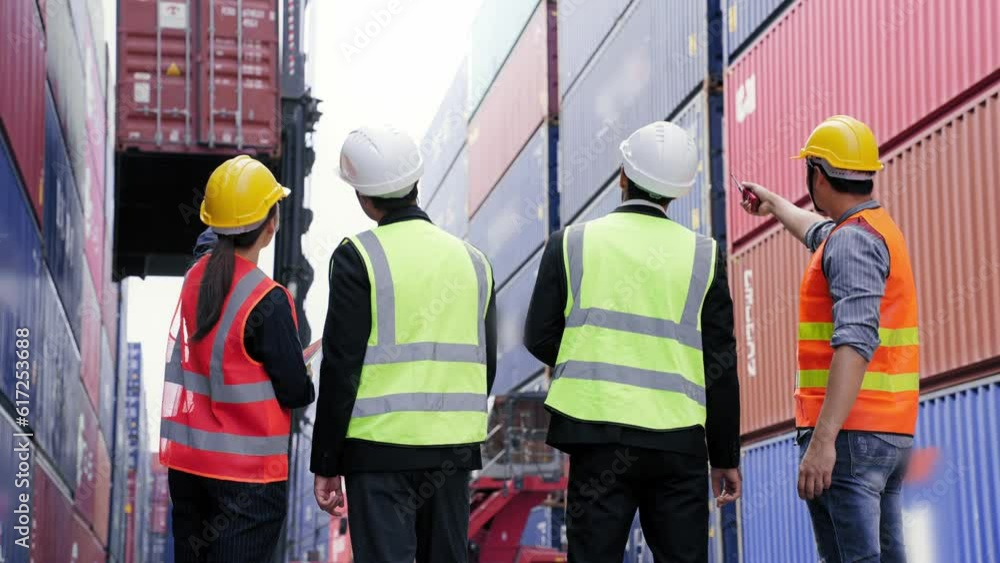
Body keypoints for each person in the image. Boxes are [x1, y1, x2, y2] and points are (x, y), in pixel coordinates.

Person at [524, 121, 742, 563]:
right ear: (679, 190)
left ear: (623, 175)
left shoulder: (570, 243)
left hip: (597, 437)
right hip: (677, 443)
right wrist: (724, 456)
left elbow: (538, 336)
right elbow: (721, 365)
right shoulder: (704, 254)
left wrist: (592, 361)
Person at [310, 125, 497, 563]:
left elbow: (341, 367)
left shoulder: (359, 256)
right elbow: (484, 365)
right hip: (451, 455)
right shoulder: (474, 261)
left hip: (378, 456)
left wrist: (326, 461)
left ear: (363, 197)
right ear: (417, 183)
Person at [740, 115, 918, 562]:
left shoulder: (851, 243)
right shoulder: (873, 231)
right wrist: (774, 204)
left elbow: (855, 342)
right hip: (888, 434)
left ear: (817, 175)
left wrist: (822, 442)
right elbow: (817, 232)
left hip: (849, 439)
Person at [160, 155, 315, 563]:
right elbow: (296, 391)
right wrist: (303, 367)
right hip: (247, 482)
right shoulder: (268, 299)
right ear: (271, 224)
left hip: (190, 468)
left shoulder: (195, 279)